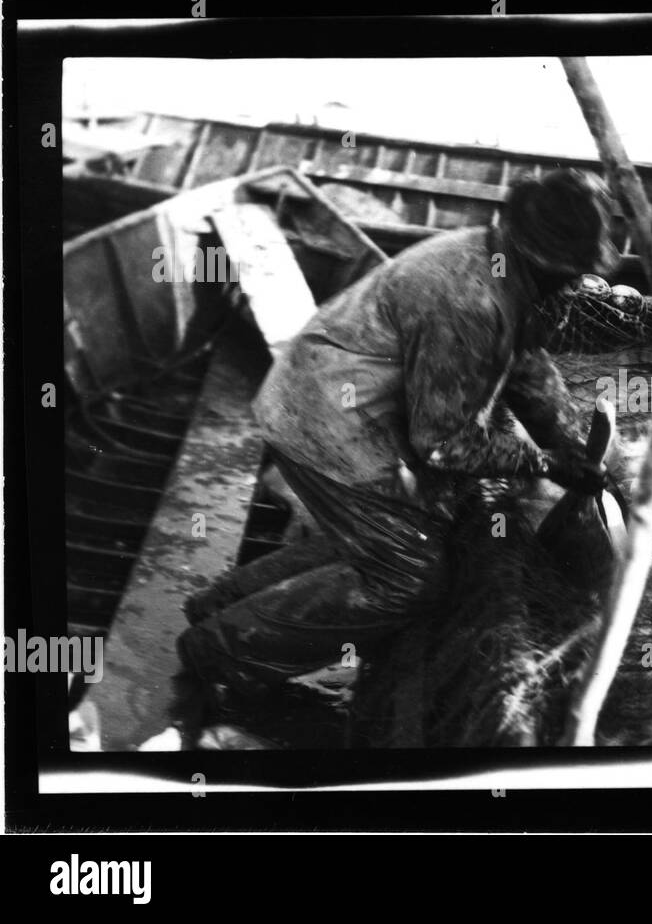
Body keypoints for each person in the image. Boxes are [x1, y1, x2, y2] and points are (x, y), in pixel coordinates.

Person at [154, 168, 621, 748]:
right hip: (327, 422)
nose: (578, 283)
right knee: (409, 575)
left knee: (398, 531)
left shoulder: (507, 270)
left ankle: (219, 604)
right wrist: (545, 463)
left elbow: (525, 365)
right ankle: (220, 650)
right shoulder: (471, 298)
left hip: (327, 396)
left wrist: (568, 438)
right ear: (543, 257)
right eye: (572, 271)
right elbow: (445, 443)